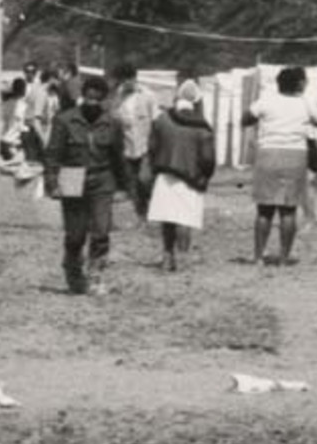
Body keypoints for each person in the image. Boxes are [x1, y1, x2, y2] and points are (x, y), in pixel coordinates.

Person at [42, 72, 128, 295]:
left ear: (104, 100)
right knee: (76, 234)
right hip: (71, 176)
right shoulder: (64, 120)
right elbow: (52, 154)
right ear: (82, 96)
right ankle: (72, 270)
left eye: (97, 99)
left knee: (101, 231)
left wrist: (124, 187)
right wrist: (52, 183)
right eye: (89, 98)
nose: (92, 103)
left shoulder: (112, 123)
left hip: (102, 178)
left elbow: (118, 157)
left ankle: (96, 274)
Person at [244, 64, 317, 266]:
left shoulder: (266, 100)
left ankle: (258, 256)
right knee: (288, 210)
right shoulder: (305, 103)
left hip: (268, 154)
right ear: (299, 84)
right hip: (295, 155)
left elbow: (246, 118)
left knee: (264, 209)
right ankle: (283, 258)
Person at [145, 86, 218, 271]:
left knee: (167, 218)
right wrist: (206, 175)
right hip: (191, 178)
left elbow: (152, 147)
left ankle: (168, 255)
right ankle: (183, 258)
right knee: (184, 219)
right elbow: (208, 158)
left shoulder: (162, 119)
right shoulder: (202, 127)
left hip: (165, 174)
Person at [110, 62, 158, 222]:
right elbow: (112, 117)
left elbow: (156, 121)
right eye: (121, 81)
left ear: (133, 78)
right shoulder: (118, 96)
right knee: (132, 184)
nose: (124, 84)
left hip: (145, 146)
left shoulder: (148, 95)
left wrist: (155, 145)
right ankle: (141, 215)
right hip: (126, 147)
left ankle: (153, 209)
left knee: (144, 180)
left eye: (127, 80)